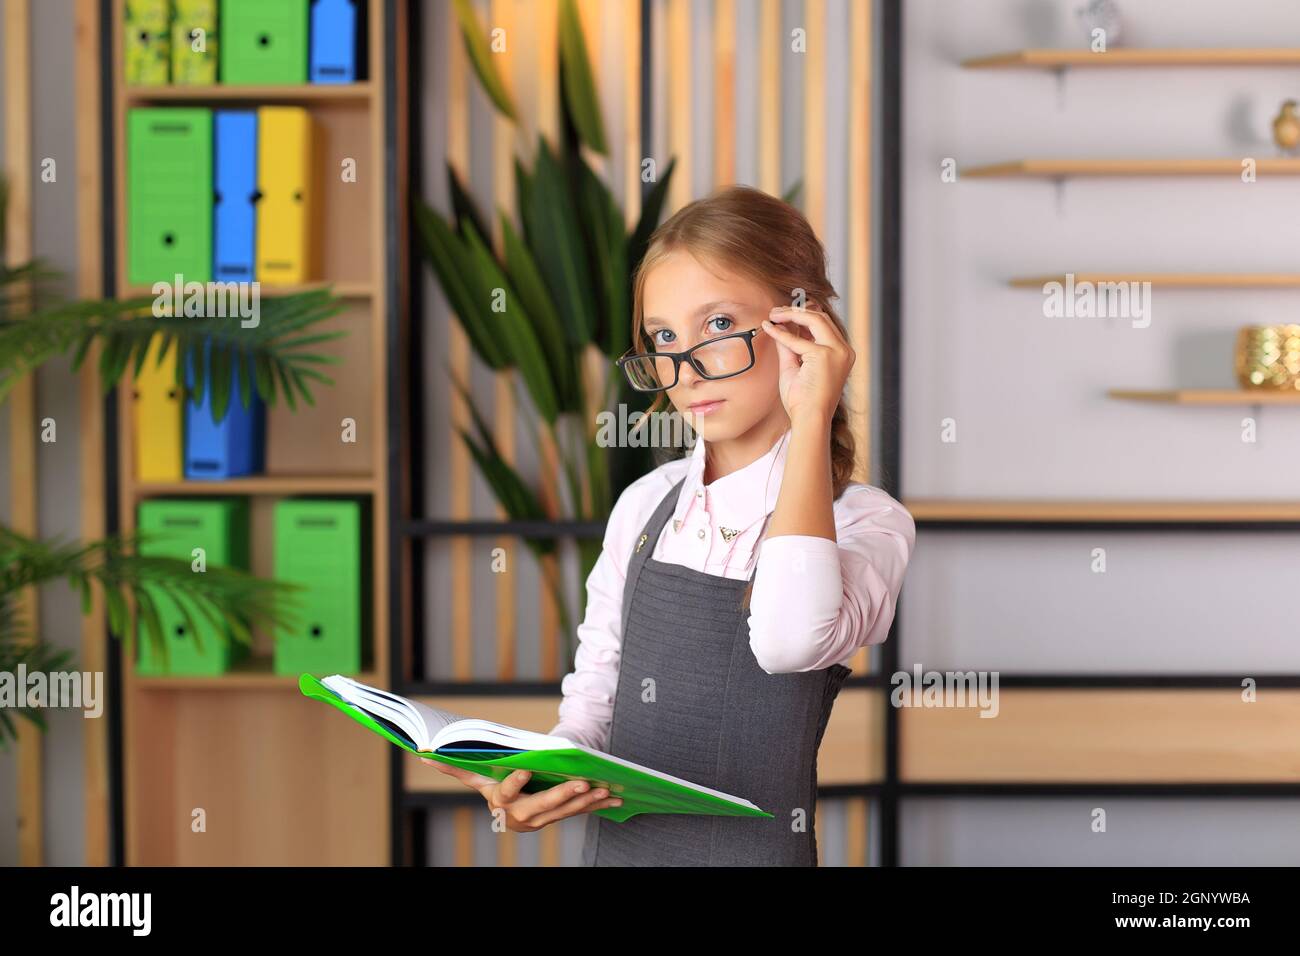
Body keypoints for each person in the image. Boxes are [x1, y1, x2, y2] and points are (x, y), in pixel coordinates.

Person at [426, 184, 915, 865]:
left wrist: (812, 417)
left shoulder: (865, 523)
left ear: (801, 324)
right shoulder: (646, 507)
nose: (685, 369)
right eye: (663, 337)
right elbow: (595, 711)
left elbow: (786, 642)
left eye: (717, 325)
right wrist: (536, 778)